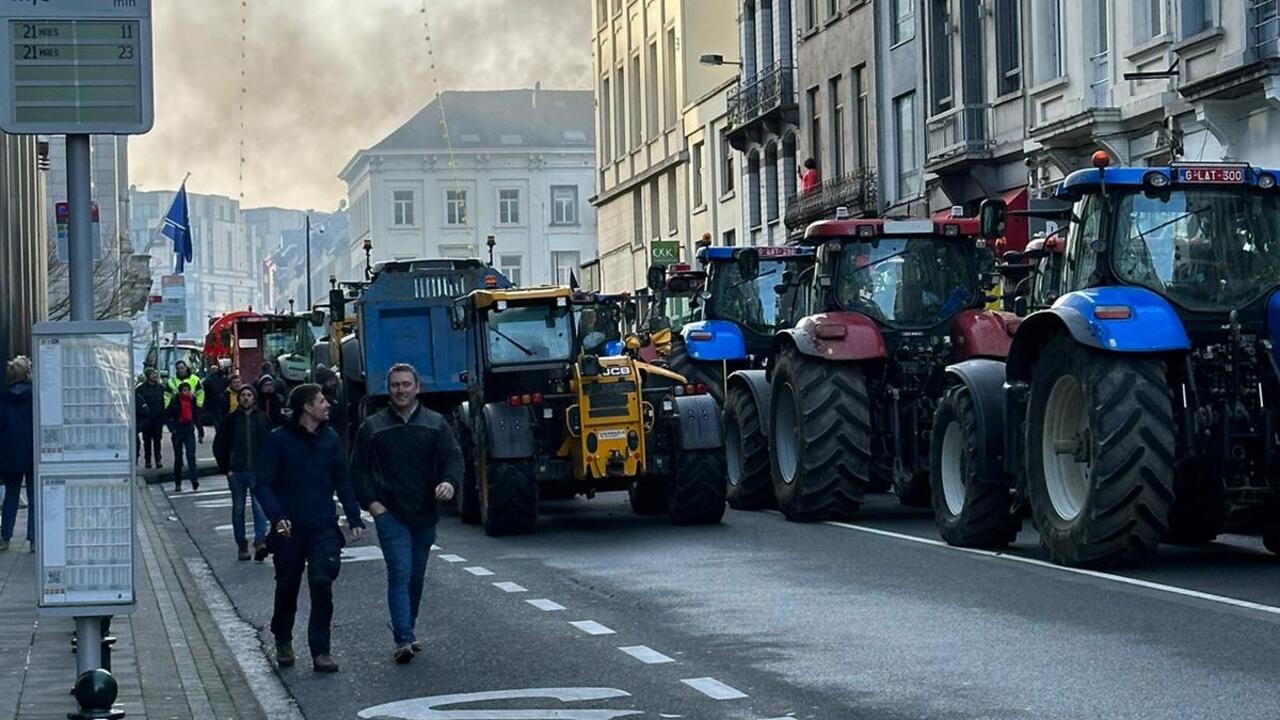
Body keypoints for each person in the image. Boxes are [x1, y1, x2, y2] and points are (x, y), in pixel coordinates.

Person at [350, 364, 461, 663]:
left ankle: (407, 627)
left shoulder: (435, 424)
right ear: (388, 390)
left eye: (406, 384)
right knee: (399, 571)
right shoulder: (372, 427)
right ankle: (403, 637)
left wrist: (449, 483)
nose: (401, 390)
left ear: (417, 388)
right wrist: (373, 505)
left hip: (425, 512)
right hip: (390, 513)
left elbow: (453, 458)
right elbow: (358, 470)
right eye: (395, 385)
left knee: (416, 576)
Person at [254, 384, 365, 674]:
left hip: (322, 526)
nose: (327, 404)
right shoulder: (279, 440)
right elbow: (261, 483)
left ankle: (321, 651)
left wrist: (354, 517)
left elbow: (343, 480)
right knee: (287, 585)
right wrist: (277, 517)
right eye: (321, 400)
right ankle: (282, 638)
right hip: (289, 528)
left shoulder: (330, 439)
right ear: (306, 407)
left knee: (322, 583)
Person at [214, 385, 272, 562]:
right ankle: (242, 544)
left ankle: (260, 542)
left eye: (249, 395)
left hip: (257, 472)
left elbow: (271, 444)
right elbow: (219, 445)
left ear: (254, 398)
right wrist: (227, 468)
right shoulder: (230, 420)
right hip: (237, 472)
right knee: (238, 509)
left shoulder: (262, 418)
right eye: (243, 395)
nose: (246, 398)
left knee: (259, 508)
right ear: (238, 398)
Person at [0, 357, 35, 553]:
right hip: (33, 454)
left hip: (12, 455)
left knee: (11, 497)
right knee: (35, 498)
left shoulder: (5, 399)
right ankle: (34, 539)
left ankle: (5, 537)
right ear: (28, 374)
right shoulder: (35, 397)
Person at [167, 383, 200, 492]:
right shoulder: (175, 401)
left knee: (191, 455)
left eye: (188, 390)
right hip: (178, 430)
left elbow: (195, 415)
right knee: (178, 457)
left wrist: (200, 429)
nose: (187, 392)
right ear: (180, 391)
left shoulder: (192, 400)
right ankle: (178, 483)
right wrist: (172, 428)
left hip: (189, 430)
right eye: (184, 390)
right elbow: (168, 415)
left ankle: (194, 480)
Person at [165, 360, 205, 443]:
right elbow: (167, 395)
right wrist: (167, 406)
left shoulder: (194, 379)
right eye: (178, 368)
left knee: (197, 422)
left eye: (182, 368)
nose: (180, 370)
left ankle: (200, 434)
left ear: (186, 368)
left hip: (192, 405)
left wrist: (199, 405)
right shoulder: (171, 381)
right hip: (178, 406)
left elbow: (200, 393)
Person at [136, 368, 166, 469]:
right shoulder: (141, 389)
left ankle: (158, 459)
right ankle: (147, 460)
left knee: (157, 439)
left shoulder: (161, 388)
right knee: (147, 440)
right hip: (146, 419)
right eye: (152, 374)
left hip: (158, 418)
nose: (154, 376)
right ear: (147, 376)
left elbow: (164, 402)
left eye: (155, 374)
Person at [202, 365, 231, 430]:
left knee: (216, 419)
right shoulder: (223, 379)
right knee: (222, 418)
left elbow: (206, 393)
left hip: (213, 403)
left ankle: (219, 431)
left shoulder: (208, 380)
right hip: (223, 402)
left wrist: (205, 405)